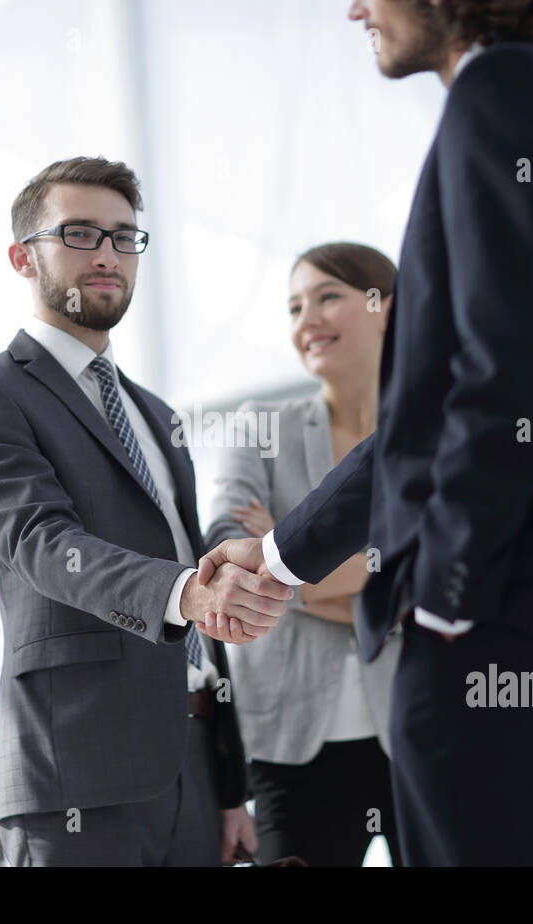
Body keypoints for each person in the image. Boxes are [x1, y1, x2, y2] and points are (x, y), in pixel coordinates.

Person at [198, 0, 533, 866]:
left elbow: (506, 375)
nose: (355, 8)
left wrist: (450, 596)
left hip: (500, 621)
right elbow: (435, 415)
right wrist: (277, 558)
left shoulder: (495, 98)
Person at [0, 156, 292, 865]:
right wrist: (186, 592)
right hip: (76, 771)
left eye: (124, 237)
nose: (107, 255)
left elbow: (199, 604)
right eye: (79, 234)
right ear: (21, 256)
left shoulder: (156, 415)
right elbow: (40, 543)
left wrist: (228, 787)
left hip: (191, 772)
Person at [203, 242, 403, 866]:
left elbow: (449, 579)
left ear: (385, 309)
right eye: (294, 307)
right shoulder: (258, 429)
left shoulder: (430, 438)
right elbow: (230, 562)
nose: (305, 321)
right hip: (291, 751)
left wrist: (292, 562)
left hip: (419, 735)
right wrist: (386, 585)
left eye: (328, 297)